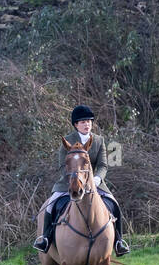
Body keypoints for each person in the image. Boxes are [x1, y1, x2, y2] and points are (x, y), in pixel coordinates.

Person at [34, 105, 130, 256]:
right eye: (83, 122)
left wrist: (97, 179)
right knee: (50, 206)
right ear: (76, 125)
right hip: (69, 183)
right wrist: (74, 180)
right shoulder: (67, 141)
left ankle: (119, 242)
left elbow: (103, 164)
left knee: (114, 204)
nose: (87, 124)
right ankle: (45, 238)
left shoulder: (99, 140)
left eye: (89, 121)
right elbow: (62, 165)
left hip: (94, 184)